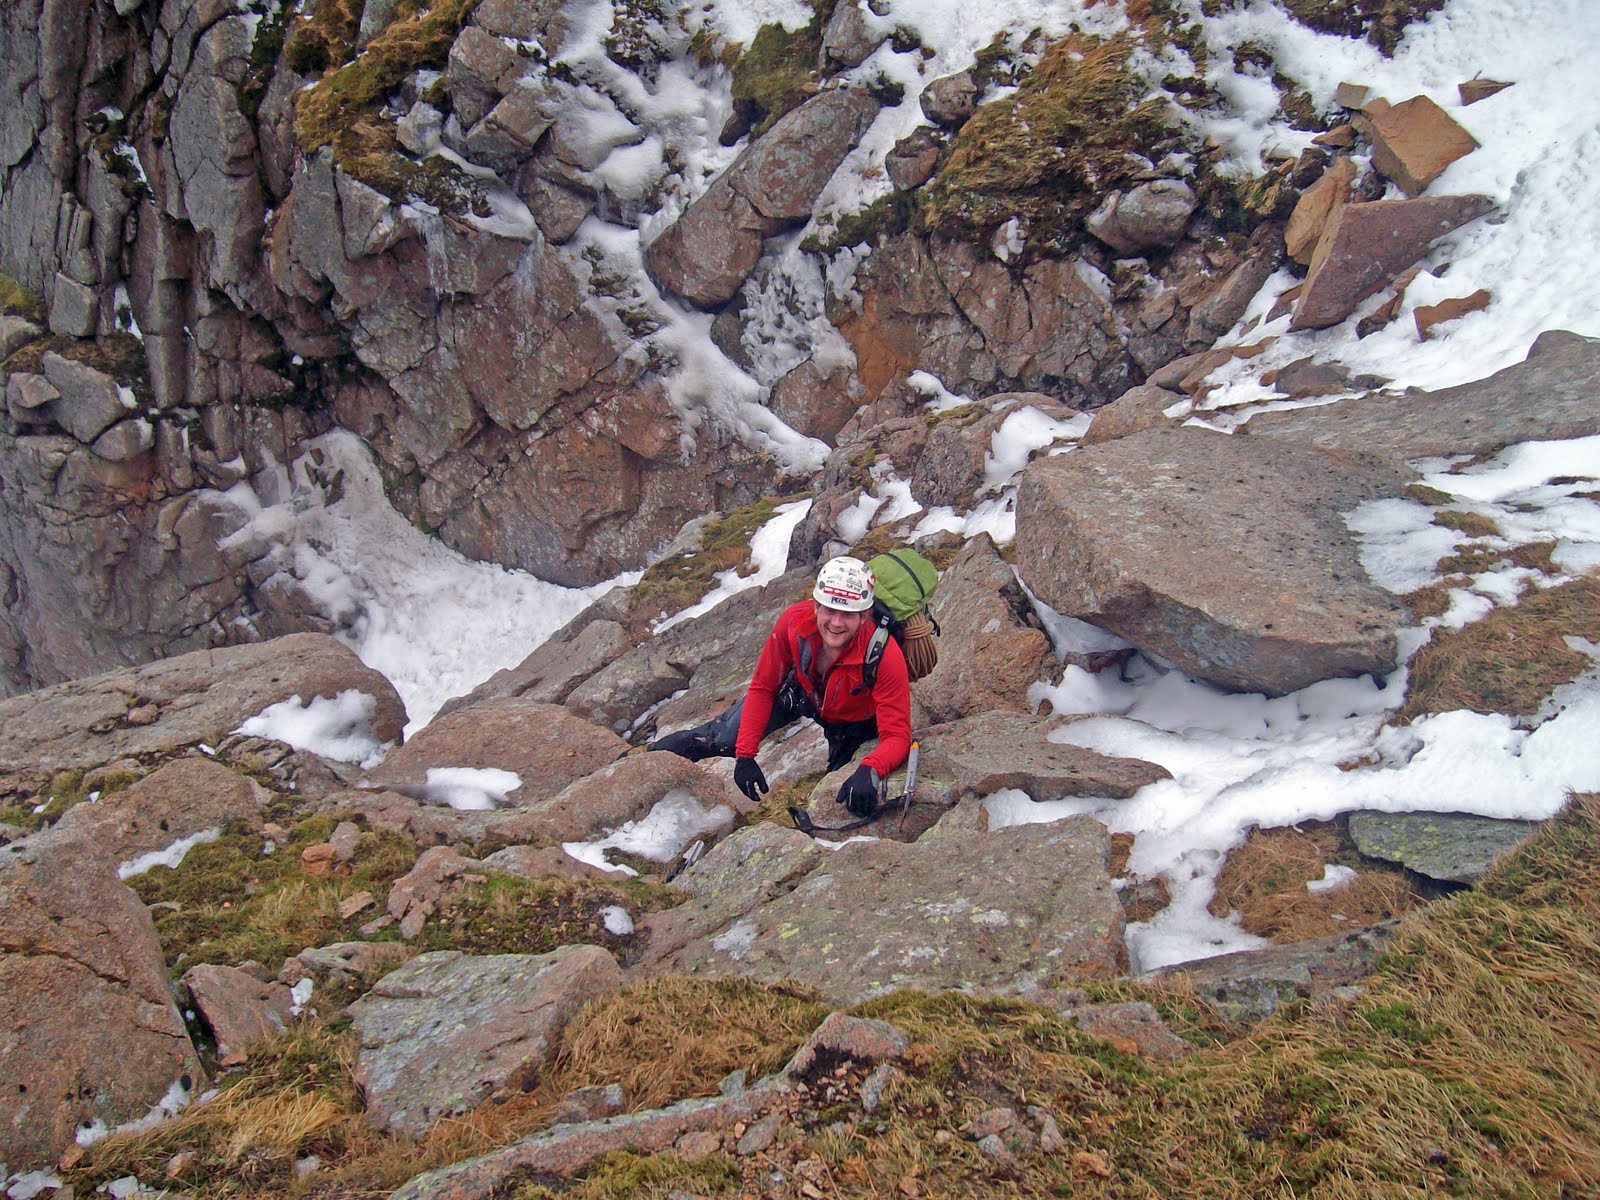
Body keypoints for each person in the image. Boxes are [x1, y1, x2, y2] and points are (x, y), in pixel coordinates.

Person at [648, 556, 913, 816]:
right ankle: (647, 759)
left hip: (854, 721)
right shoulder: (793, 623)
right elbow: (764, 687)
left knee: (841, 792)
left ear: (864, 616)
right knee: (723, 739)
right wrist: (745, 755)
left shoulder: (884, 655)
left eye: (847, 615)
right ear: (816, 606)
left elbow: (897, 736)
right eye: (830, 610)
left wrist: (871, 768)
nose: (836, 622)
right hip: (803, 694)